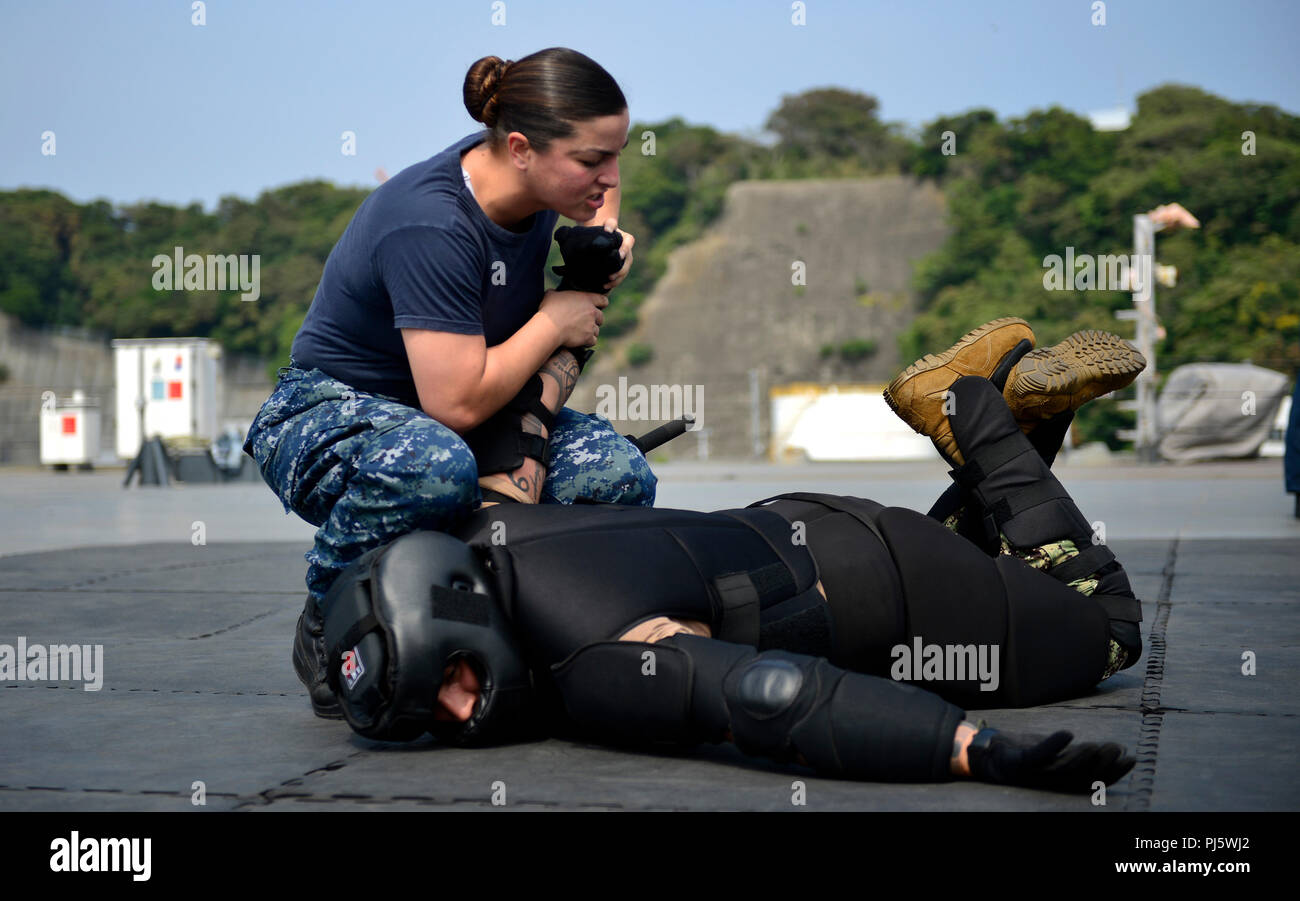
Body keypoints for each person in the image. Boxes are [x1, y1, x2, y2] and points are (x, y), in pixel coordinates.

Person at [311, 319, 1149, 793]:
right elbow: (528, 412)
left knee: (1107, 625)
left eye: (453, 679)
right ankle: (995, 418)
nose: (461, 713)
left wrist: (973, 749)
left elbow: (775, 698)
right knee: (1005, 561)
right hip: (799, 527)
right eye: (436, 710)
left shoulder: (597, 658)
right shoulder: (488, 515)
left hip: (900, 595)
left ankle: (970, 409)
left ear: (459, 609)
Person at [241, 48, 656, 716]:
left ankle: (526, 617)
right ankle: (328, 613)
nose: (609, 176)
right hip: (330, 410)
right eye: (590, 161)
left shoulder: (541, 176)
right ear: (520, 148)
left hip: (452, 412)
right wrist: (554, 320)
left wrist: (598, 245)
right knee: (435, 468)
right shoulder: (430, 222)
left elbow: (597, 194)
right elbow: (456, 403)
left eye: (618, 154)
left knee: (616, 474)